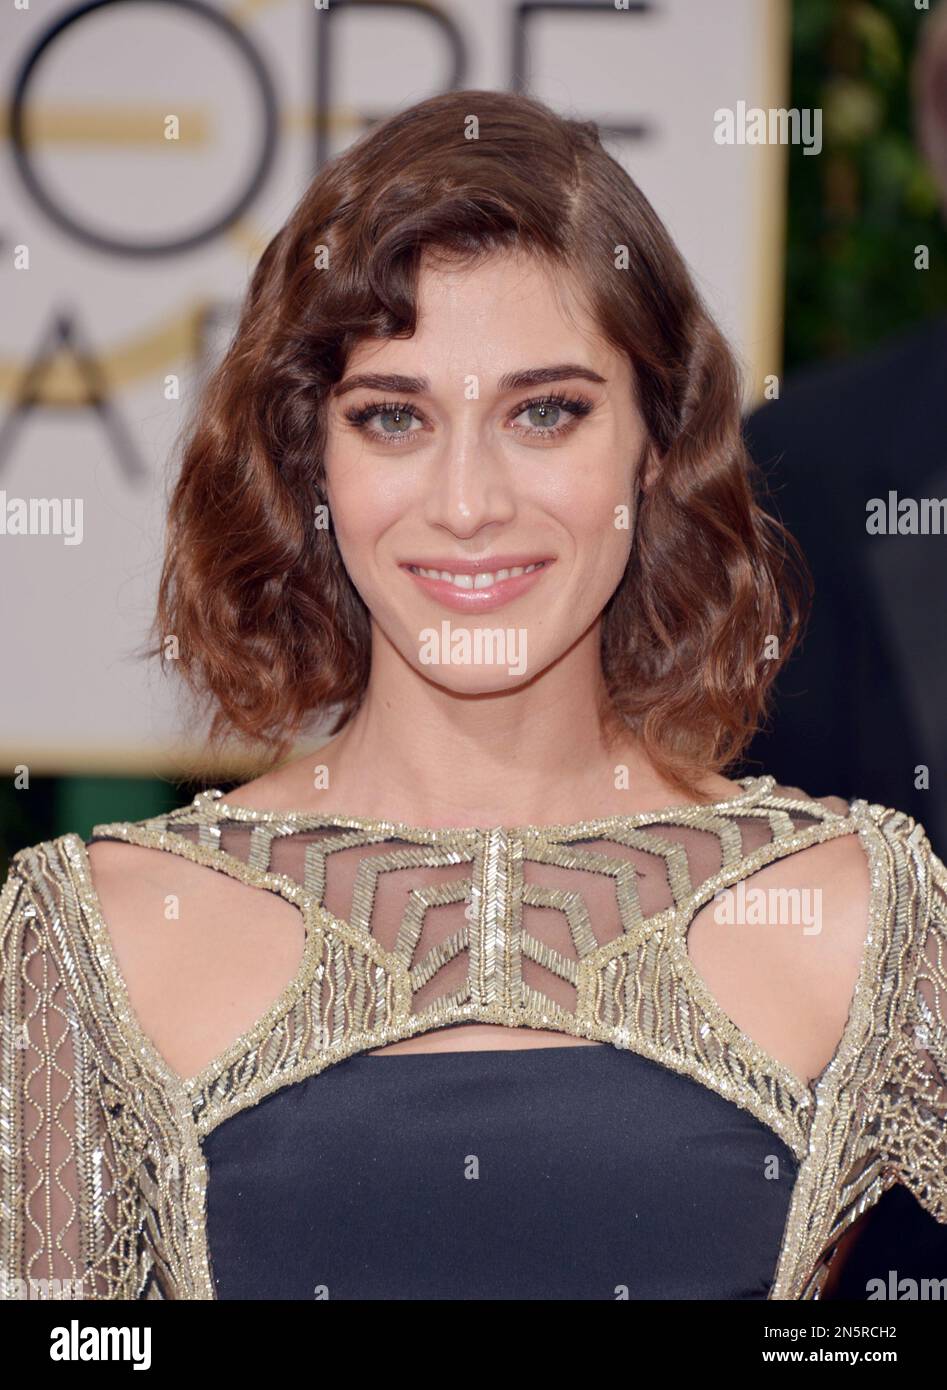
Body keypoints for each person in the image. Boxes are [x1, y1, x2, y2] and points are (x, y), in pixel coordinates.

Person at [1, 89, 944, 1303]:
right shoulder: (101, 934)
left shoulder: (851, 913)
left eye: (542, 412)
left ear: (655, 441)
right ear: (311, 459)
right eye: (392, 418)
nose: (466, 501)